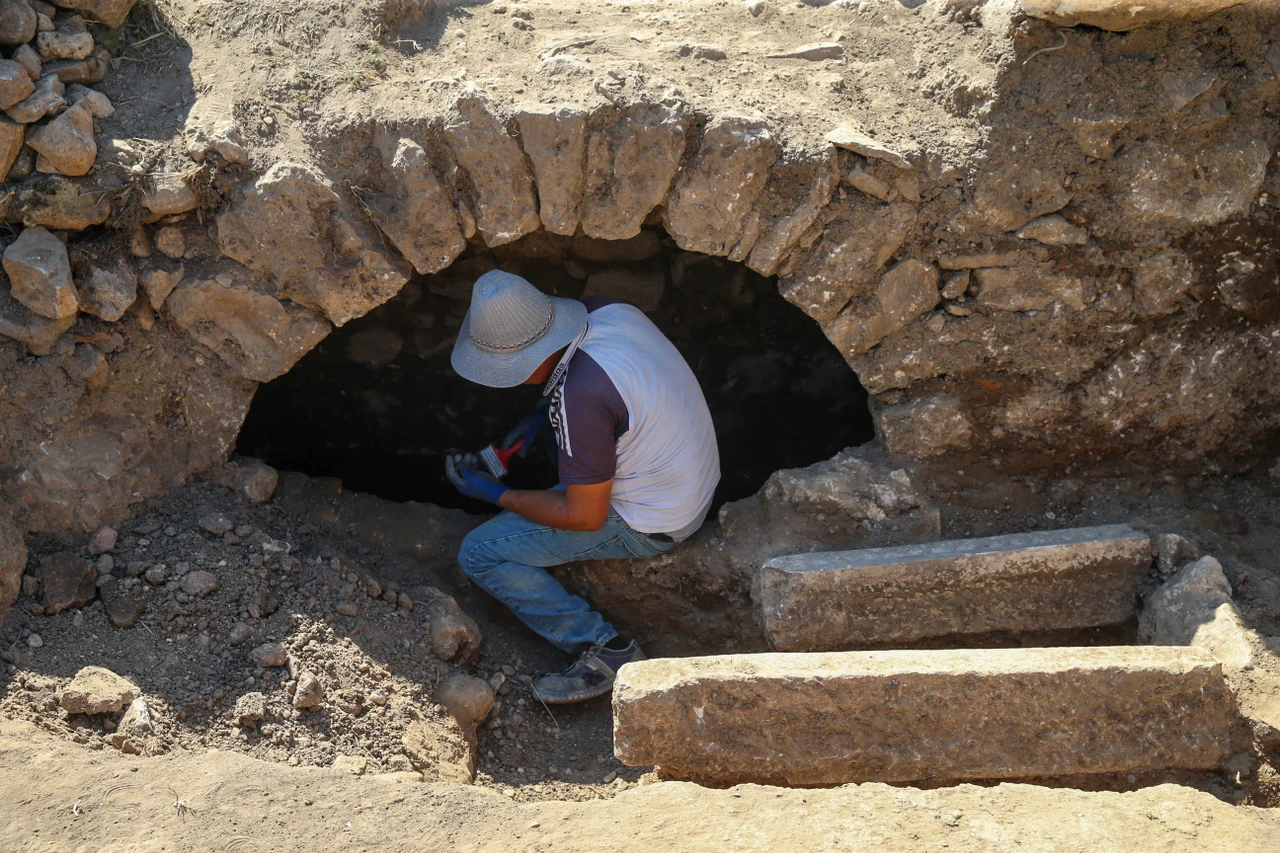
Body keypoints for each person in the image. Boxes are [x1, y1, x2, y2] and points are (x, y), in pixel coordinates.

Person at [445, 270, 720, 704]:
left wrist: (494, 494)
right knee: (565, 441)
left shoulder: (581, 398)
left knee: (480, 553)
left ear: (534, 355)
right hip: (688, 477)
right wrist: (541, 421)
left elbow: (586, 516)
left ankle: (606, 649)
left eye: (506, 367)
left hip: (654, 518)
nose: (507, 377)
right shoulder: (605, 310)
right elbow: (601, 399)